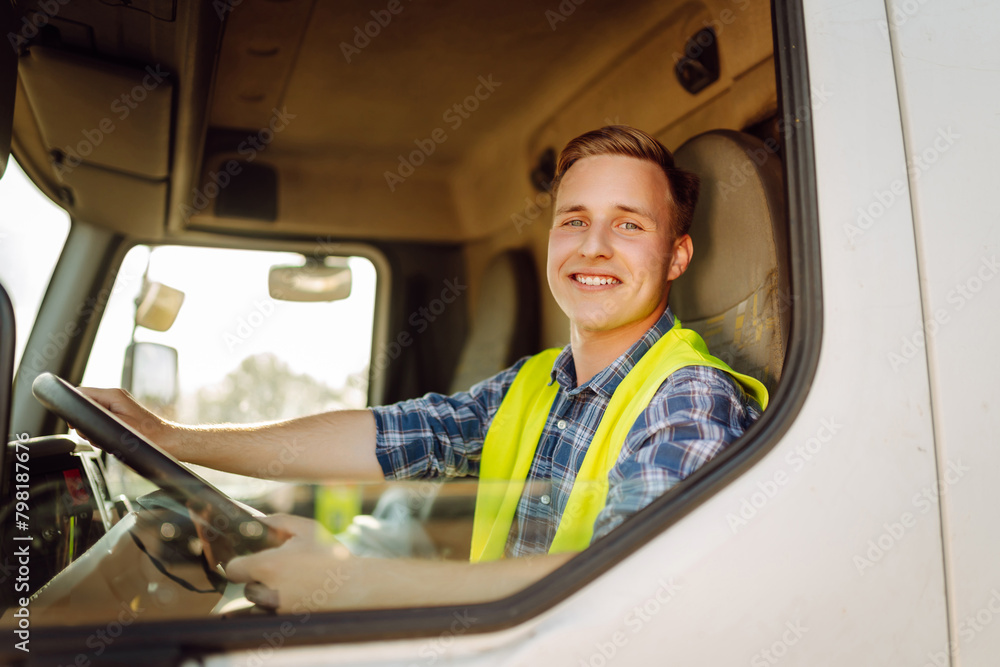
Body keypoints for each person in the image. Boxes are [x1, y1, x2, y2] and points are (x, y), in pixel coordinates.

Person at [83, 125, 767, 612]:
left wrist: (353, 584)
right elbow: (386, 436)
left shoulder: (691, 398)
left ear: (677, 256)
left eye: (629, 225)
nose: (593, 246)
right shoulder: (533, 382)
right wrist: (171, 438)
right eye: (573, 220)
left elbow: (632, 583)